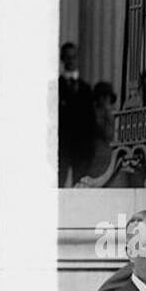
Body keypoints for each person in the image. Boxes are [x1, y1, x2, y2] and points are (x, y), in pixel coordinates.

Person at [58, 41, 96, 185]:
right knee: (58, 184)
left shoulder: (86, 89)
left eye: (74, 57)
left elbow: (90, 121)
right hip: (62, 147)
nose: (71, 61)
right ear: (62, 59)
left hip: (82, 148)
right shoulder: (55, 88)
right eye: (68, 57)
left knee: (79, 186)